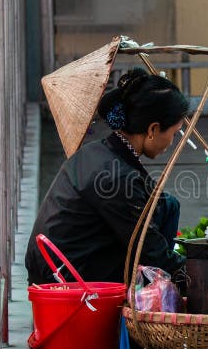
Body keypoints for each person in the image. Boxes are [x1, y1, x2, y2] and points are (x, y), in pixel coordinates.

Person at [26, 68, 188, 284]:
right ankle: (154, 291)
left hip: (61, 265)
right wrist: (199, 272)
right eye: (174, 133)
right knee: (160, 259)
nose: (172, 142)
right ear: (153, 129)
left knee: (167, 205)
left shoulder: (98, 150)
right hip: (66, 281)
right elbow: (149, 248)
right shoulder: (117, 177)